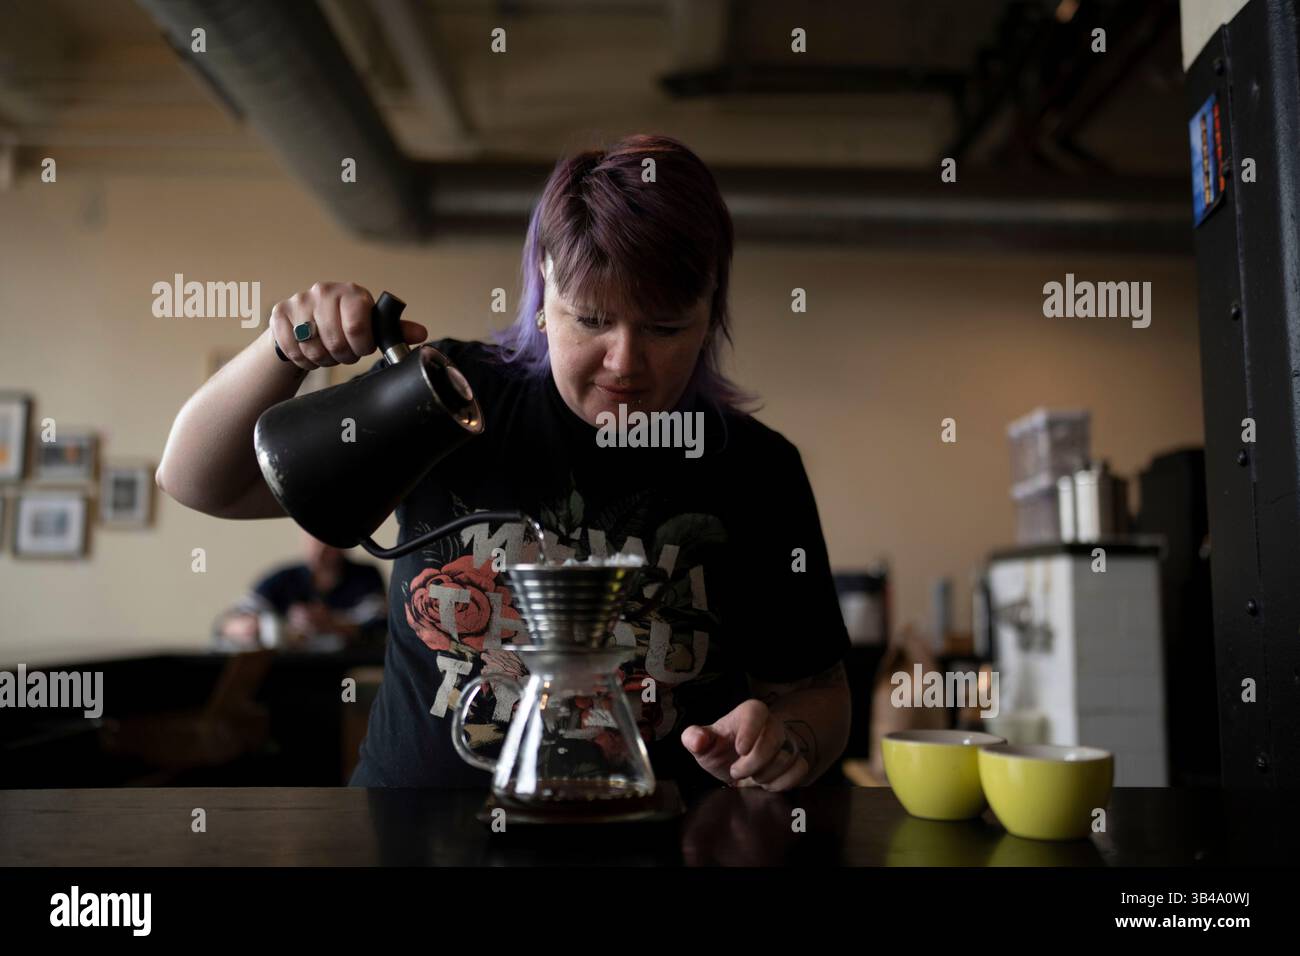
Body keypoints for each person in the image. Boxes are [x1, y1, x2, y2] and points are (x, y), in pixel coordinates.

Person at [157, 134, 851, 793]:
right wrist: (286, 349)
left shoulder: (757, 469)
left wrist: (784, 741)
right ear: (544, 293)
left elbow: (817, 696)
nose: (626, 363)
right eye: (593, 320)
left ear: (711, 314)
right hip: (408, 840)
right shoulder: (449, 397)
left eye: (666, 328)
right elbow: (196, 480)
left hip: (649, 840)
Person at [212, 529, 387, 652]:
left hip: (344, 673)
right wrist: (248, 627)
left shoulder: (365, 577)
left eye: (326, 539)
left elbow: (380, 628)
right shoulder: (283, 578)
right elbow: (225, 625)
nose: (319, 547)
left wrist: (332, 625)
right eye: (312, 537)